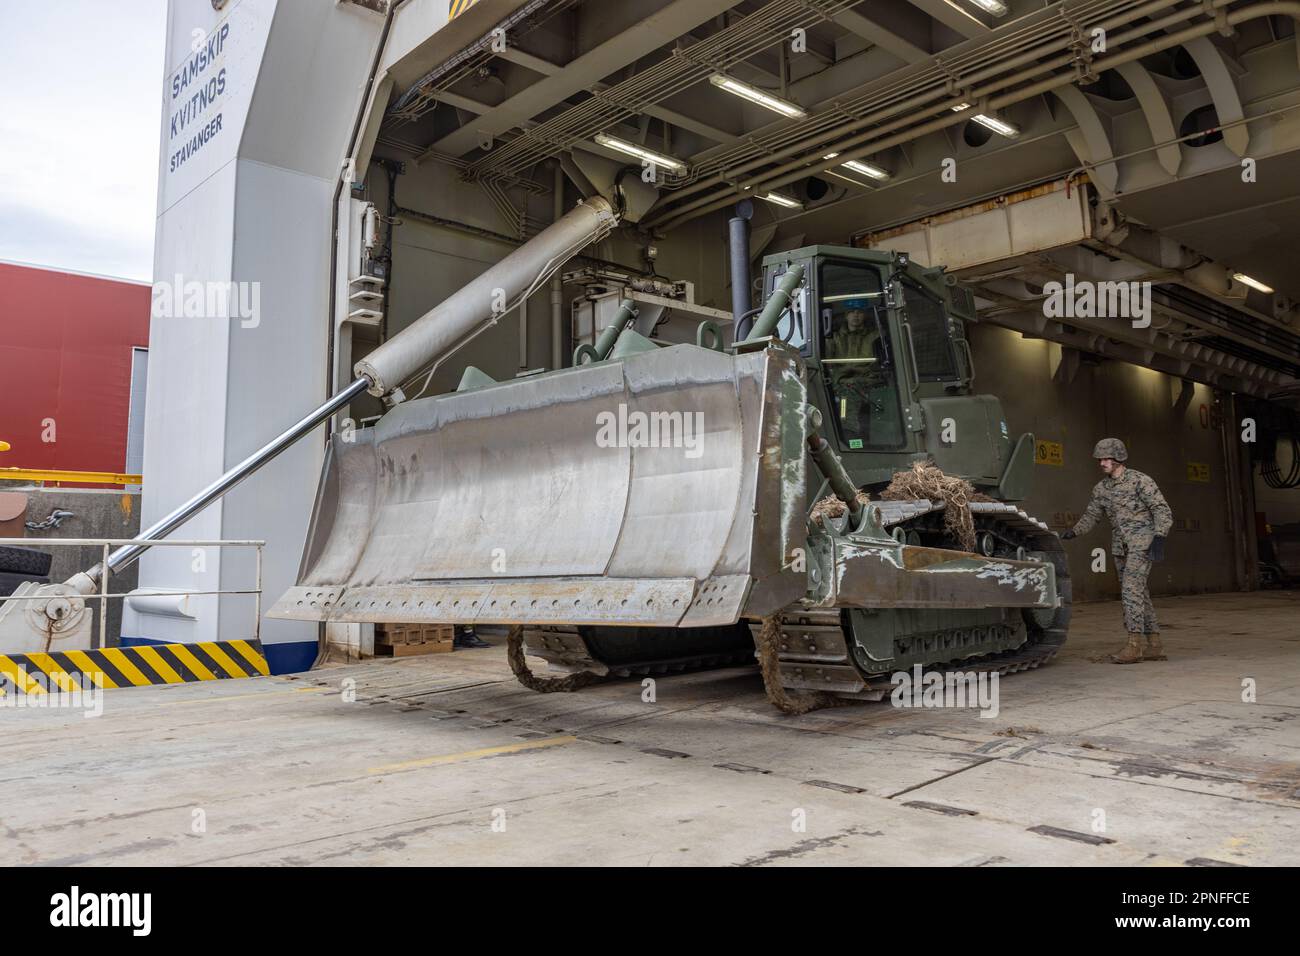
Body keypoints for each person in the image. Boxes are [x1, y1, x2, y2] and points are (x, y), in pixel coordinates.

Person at [1061, 438, 1173, 664]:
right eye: (1100, 459)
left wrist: (1159, 537)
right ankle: (1155, 644)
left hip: (1142, 544)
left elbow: (1162, 510)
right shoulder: (1101, 489)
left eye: (1106, 458)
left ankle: (1134, 646)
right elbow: (1091, 515)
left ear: (1118, 458)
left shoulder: (1140, 481)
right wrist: (1074, 532)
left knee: (1131, 591)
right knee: (1139, 592)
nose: (1101, 463)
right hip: (1120, 547)